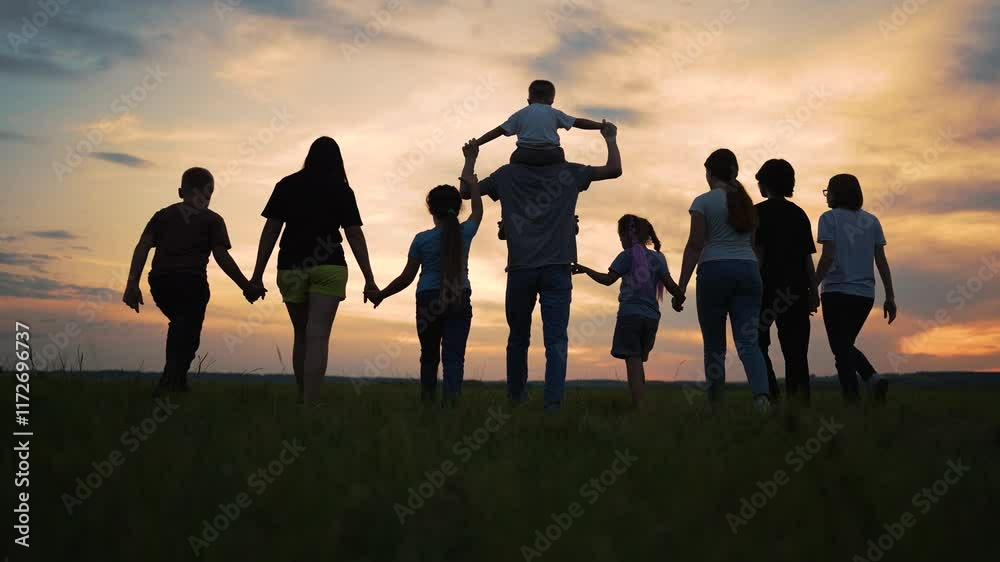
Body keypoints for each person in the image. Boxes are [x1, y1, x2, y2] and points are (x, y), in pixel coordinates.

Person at [461, 121, 623, 411]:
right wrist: (609, 138)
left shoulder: (506, 175)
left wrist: (471, 157)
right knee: (556, 341)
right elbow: (613, 170)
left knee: (518, 338)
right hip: (558, 267)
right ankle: (552, 406)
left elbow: (465, 191)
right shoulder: (570, 172)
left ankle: (515, 399)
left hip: (520, 268)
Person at [248, 137, 379, 405]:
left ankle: (301, 396)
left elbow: (271, 230)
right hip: (329, 266)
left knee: (302, 334)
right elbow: (354, 234)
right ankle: (311, 403)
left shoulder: (286, 185)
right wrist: (369, 279)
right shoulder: (342, 190)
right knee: (318, 336)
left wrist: (256, 275)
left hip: (291, 266)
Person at [122, 167, 258, 394]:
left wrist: (132, 284)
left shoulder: (162, 216)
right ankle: (171, 383)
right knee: (188, 333)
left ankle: (175, 382)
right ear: (208, 193)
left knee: (180, 326)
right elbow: (221, 256)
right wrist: (246, 286)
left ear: (180, 192)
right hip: (191, 283)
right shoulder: (212, 220)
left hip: (160, 283)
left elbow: (142, 247)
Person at [370, 141, 484, 405]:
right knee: (454, 356)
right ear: (458, 209)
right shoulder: (465, 233)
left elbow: (406, 278)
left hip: (428, 299)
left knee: (429, 355)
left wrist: (382, 295)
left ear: (431, 210)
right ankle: (452, 406)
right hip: (458, 297)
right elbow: (477, 210)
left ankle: (428, 405)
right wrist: (472, 176)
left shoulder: (421, 239)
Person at [675, 149, 770, 411]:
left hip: (714, 271)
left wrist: (681, 287)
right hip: (748, 272)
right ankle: (762, 399)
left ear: (709, 173)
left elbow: (695, 245)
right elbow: (751, 245)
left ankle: (716, 404)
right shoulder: (746, 203)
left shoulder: (703, 202)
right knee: (749, 342)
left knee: (715, 346)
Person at [572, 214, 683, 408]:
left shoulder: (626, 256)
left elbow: (608, 280)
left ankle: (640, 407)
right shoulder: (658, 258)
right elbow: (673, 287)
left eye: (621, 236)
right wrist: (678, 300)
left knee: (632, 361)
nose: (620, 240)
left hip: (630, 316)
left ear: (627, 235)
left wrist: (585, 270)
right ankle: (641, 404)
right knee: (638, 360)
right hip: (651, 319)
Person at [816, 174, 896, 402]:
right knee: (843, 349)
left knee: (840, 346)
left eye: (828, 191)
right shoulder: (872, 221)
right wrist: (890, 296)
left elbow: (827, 256)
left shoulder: (828, 219)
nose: (826, 196)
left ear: (837, 194)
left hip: (836, 292)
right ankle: (853, 398)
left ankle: (871, 378)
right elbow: (881, 261)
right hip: (864, 296)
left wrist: (812, 284)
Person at [753, 159, 819, 403]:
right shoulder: (799, 214)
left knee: (758, 344)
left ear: (765, 184)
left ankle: (770, 393)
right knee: (796, 351)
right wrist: (814, 290)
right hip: (796, 290)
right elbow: (806, 257)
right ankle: (799, 401)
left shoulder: (757, 213)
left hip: (764, 288)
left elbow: (758, 254)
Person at [474, 79, 606, 167]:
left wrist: (477, 143)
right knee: (563, 166)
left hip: (524, 155)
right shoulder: (554, 113)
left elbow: (498, 131)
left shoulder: (520, 114)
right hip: (551, 155)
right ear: (552, 101)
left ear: (528, 100)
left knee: (513, 164)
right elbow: (578, 122)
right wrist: (600, 125)